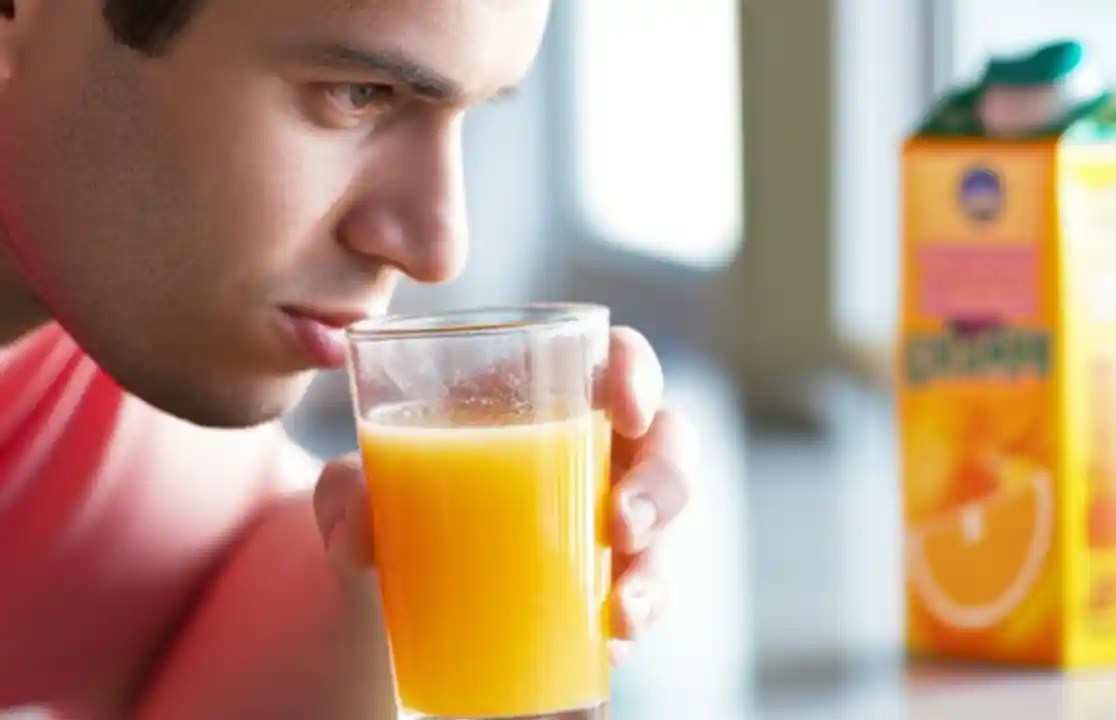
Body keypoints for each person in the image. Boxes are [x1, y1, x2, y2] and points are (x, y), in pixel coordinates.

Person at [0, 1, 695, 717]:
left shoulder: (113, 431)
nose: (436, 249)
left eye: (475, 112)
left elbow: (272, 586)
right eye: (356, 93)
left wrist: (464, 563)